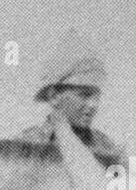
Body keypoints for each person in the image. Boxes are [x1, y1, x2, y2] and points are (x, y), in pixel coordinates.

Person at [19, 32, 127, 168]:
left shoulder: (108, 150)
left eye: (96, 96)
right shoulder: (26, 146)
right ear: (54, 97)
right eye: (84, 95)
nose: (93, 105)